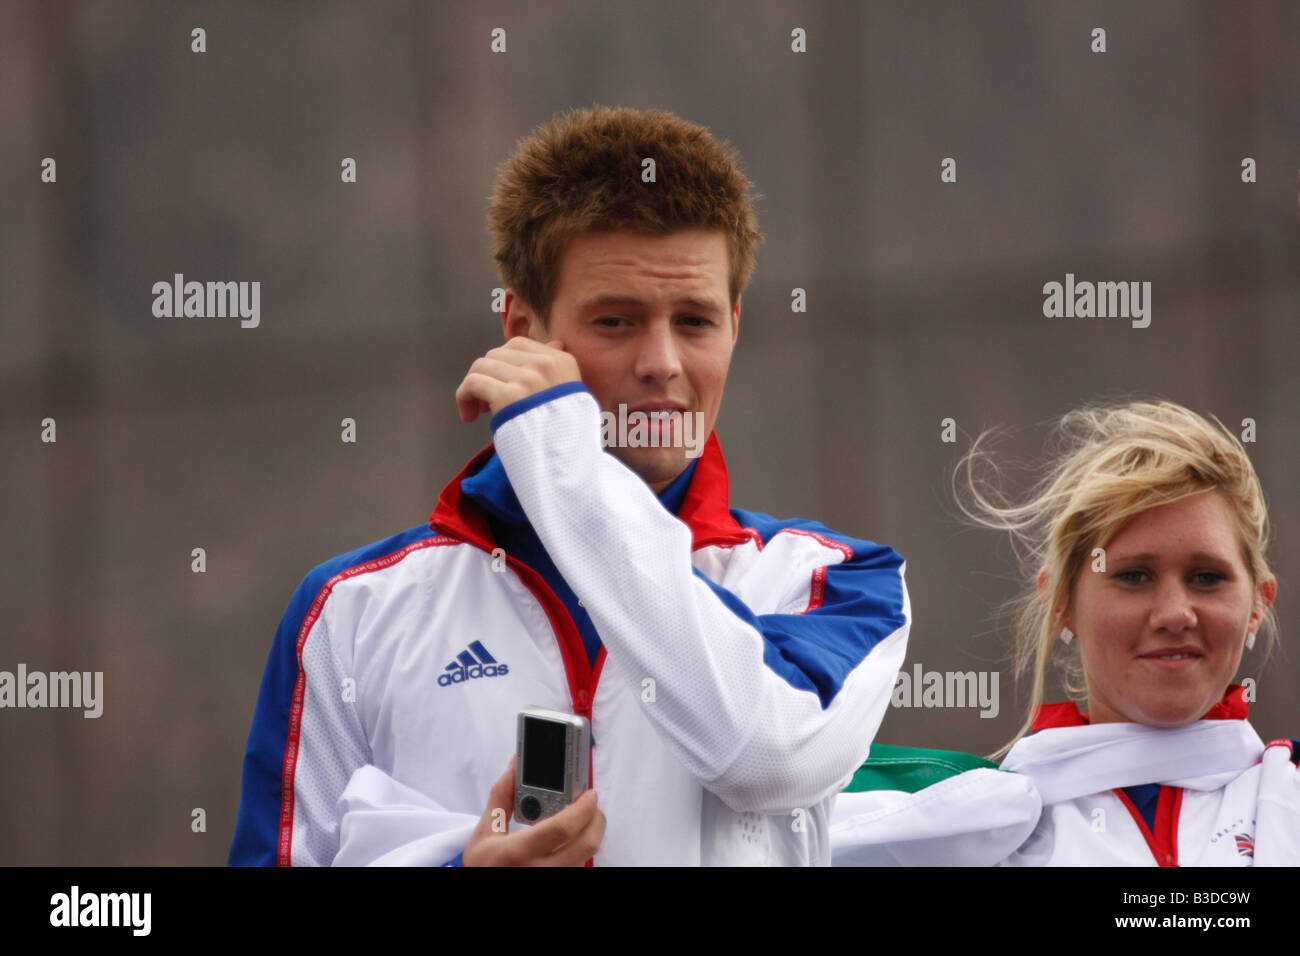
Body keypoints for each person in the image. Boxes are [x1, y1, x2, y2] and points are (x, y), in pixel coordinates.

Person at [228, 104, 911, 866]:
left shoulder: (834, 579)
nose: (662, 363)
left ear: (736, 325)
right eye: (615, 322)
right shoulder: (348, 613)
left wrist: (565, 459)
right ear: (521, 331)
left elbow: (769, 754)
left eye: (695, 321)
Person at [830, 399, 1296, 866]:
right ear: (1062, 604)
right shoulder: (953, 830)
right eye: (1133, 576)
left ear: (1258, 602)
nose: (1175, 614)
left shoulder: (1287, 796)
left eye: (1206, 577)